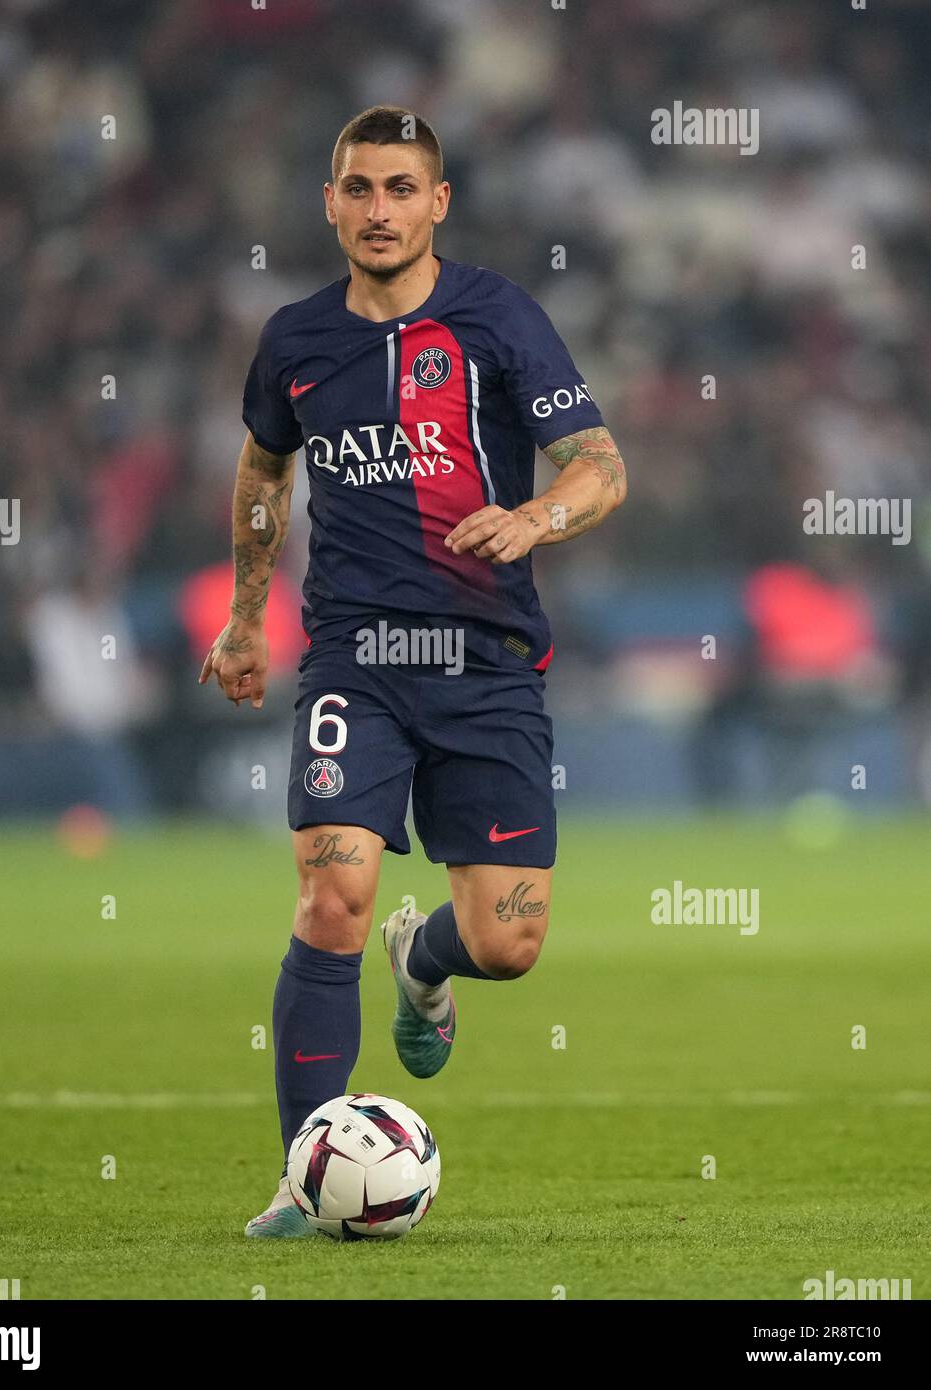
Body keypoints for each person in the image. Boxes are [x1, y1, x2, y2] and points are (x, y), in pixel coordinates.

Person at [199, 105, 627, 1236]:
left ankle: (423, 958)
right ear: (329, 202)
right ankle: (304, 1174)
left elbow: (601, 466)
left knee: (508, 941)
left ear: (437, 203)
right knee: (331, 891)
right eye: (358, 188)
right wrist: (248, 619)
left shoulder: (497, 317)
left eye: (401, 189)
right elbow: (261, 472)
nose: (378, 209)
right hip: (356, 659)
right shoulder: (294, 339)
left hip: (486, 662)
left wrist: (533, 517)